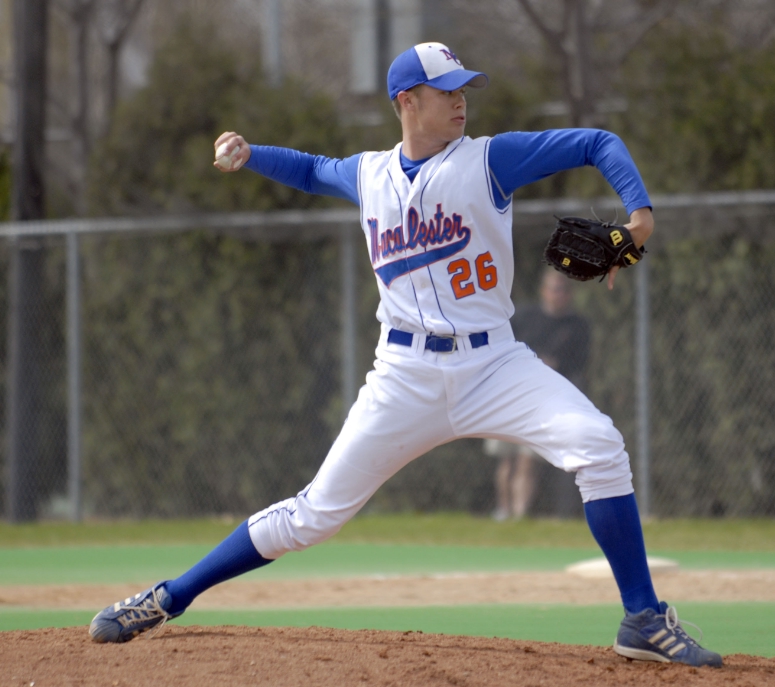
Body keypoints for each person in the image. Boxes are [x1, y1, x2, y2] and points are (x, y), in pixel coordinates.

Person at [88, 42, 723, 667]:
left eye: (463, 91)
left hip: (495, 364)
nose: (460, 103)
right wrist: (252, 154)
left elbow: (595, 143)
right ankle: (167, 597)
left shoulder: (488, 161)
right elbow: (311, 170)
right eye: (446, 92)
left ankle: (641, 618)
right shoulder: (369, 174)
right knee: (313, 517)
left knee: (600, 446)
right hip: (404, 375)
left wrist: (639, 213)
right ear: (406, 101)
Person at [490, 269, 590, 521]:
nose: (558, 294)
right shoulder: (524, 318)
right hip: (512, 396)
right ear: (544, 291)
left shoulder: (576, 327)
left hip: (545, 402)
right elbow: (503, 348)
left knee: (527, 461)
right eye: (554, 288)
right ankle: (504, 512)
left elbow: (580, 363)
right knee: (507, 461)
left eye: (564, 290)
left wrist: (553, 366)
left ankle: (520, 516)